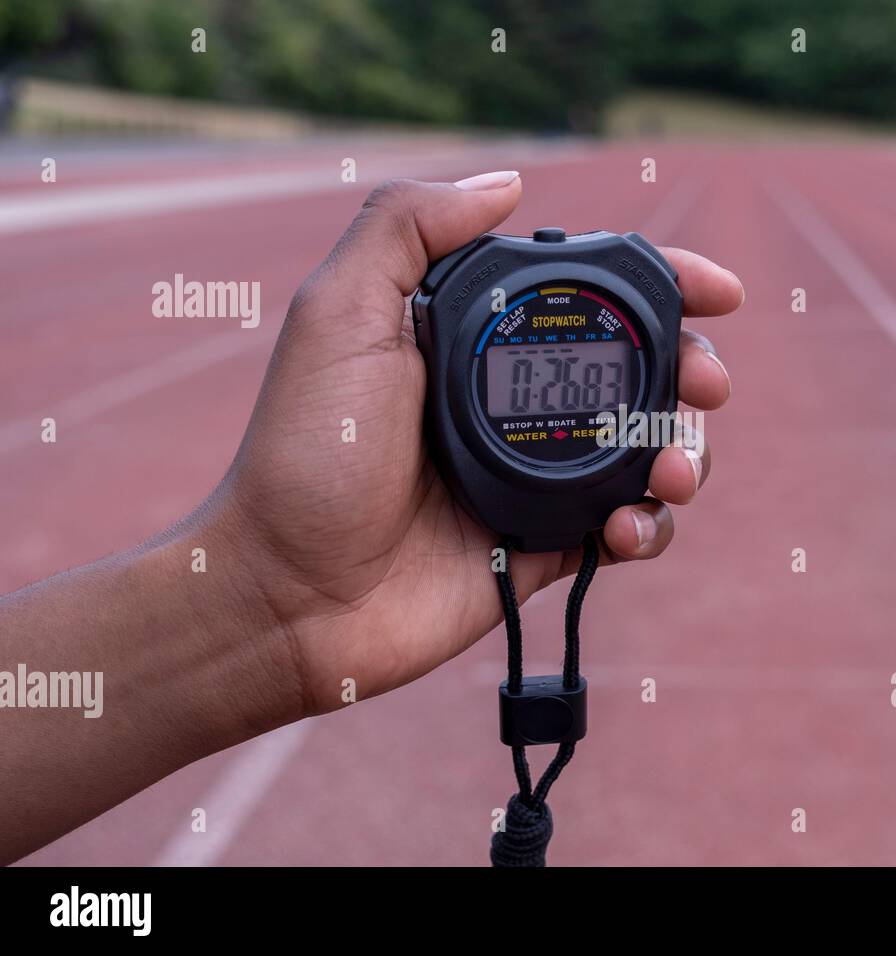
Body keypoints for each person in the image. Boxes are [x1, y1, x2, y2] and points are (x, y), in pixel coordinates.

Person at [0, 170, 742, 865]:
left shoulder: (482, 294)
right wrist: (273, 594)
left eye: (581, 376)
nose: (560, 386)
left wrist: (268, 605)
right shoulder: (620, 293)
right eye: (538, 375)